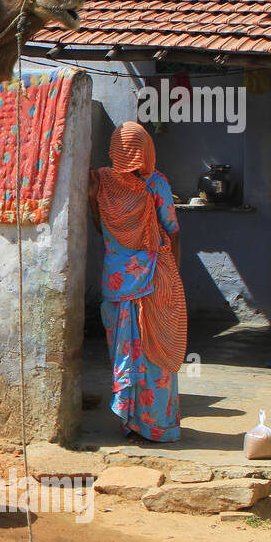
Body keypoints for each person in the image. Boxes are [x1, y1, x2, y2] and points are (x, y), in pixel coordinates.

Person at [87, 121, 188, 443]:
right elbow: (171, 230)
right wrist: (176, 273)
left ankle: (129, 422)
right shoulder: (156, 183)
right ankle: (156, 426)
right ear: (146, 150)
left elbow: (100, 226)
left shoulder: (99, 182)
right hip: (153, 278)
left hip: (116, 283)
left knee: (124, 351)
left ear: (114, 150)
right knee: (155, 352)